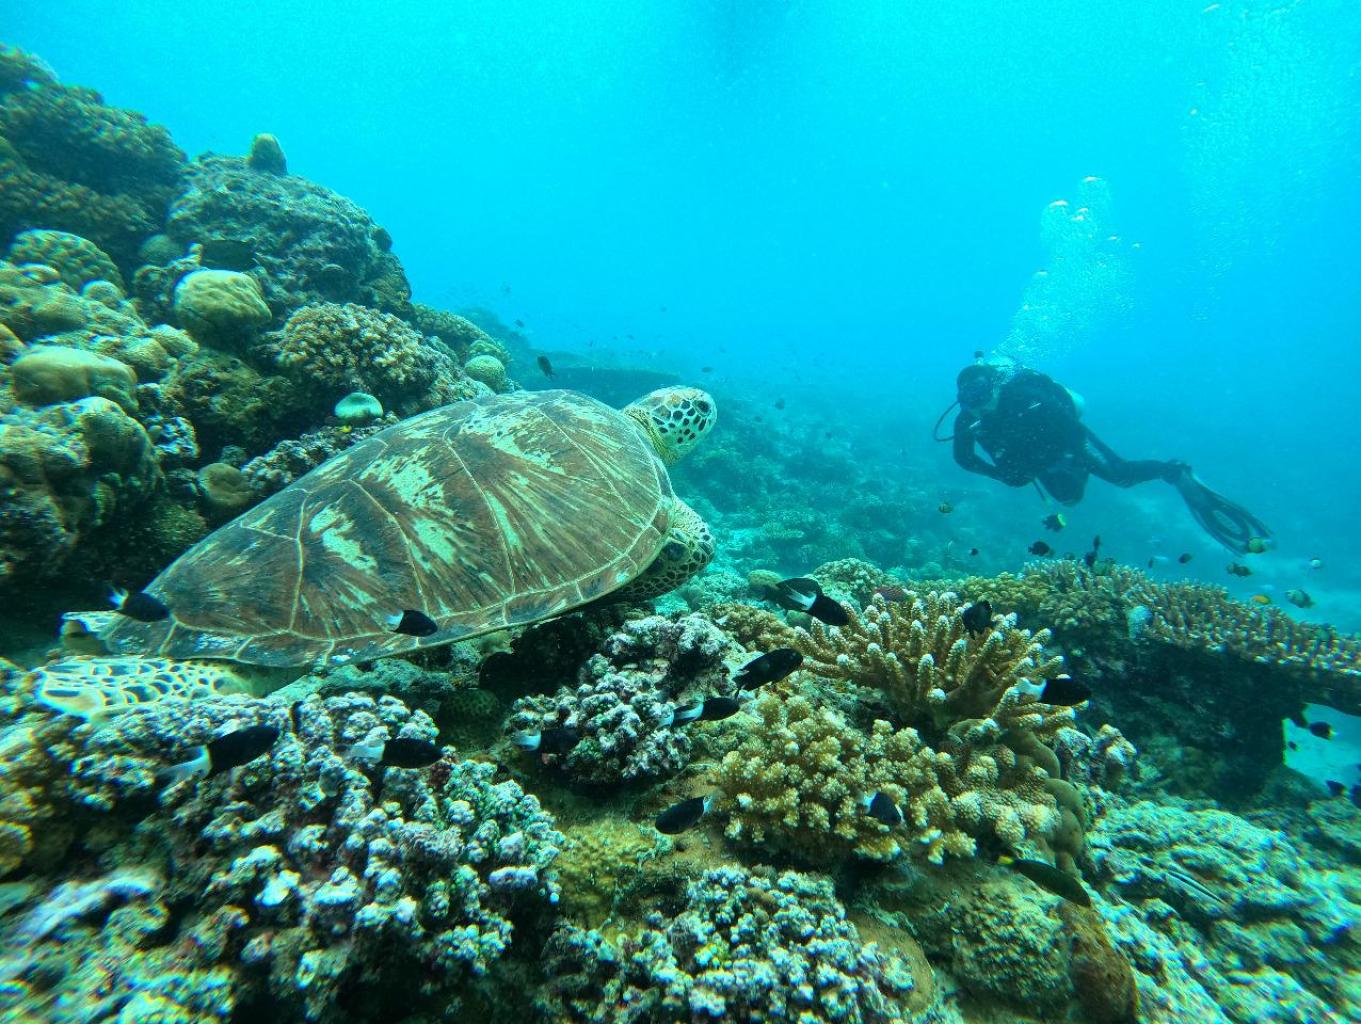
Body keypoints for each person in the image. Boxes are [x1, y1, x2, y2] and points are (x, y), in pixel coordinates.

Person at [947, 360, 1270, 554]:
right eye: (967, 396)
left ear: (993, 385)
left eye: (979, 391)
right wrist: (999, 473)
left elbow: (1072, 430)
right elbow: (963, 459)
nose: (975, 402)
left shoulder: (1026, 397)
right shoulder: (967, 419)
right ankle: (1065, 471)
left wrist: (1067, 453)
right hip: (1035, 461)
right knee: (1067, 500)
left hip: (1067, 446)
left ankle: (1174, 472)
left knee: (1120, 475)